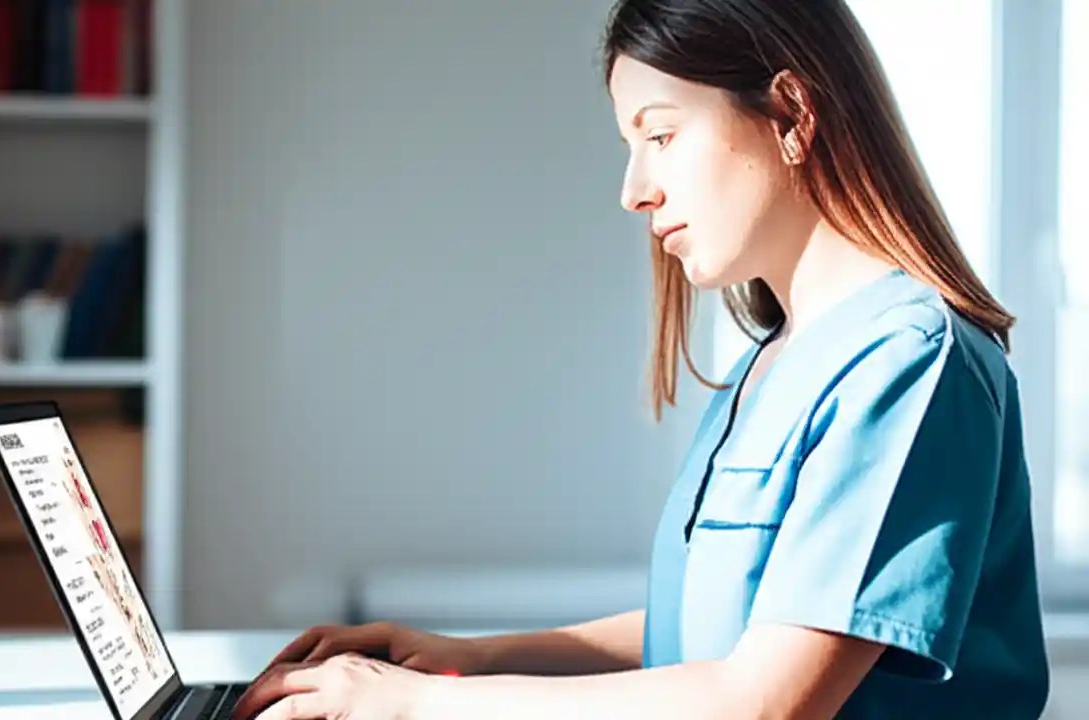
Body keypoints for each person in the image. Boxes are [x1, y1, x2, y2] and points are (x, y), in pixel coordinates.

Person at [233, 0, 1051, 717]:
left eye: (660, 134)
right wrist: (471, 656)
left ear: (793, 113)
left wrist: (422, 704)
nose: (634, 188)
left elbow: (764, 702)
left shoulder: (909, 365)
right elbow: (711, 632)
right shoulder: (767, 366)